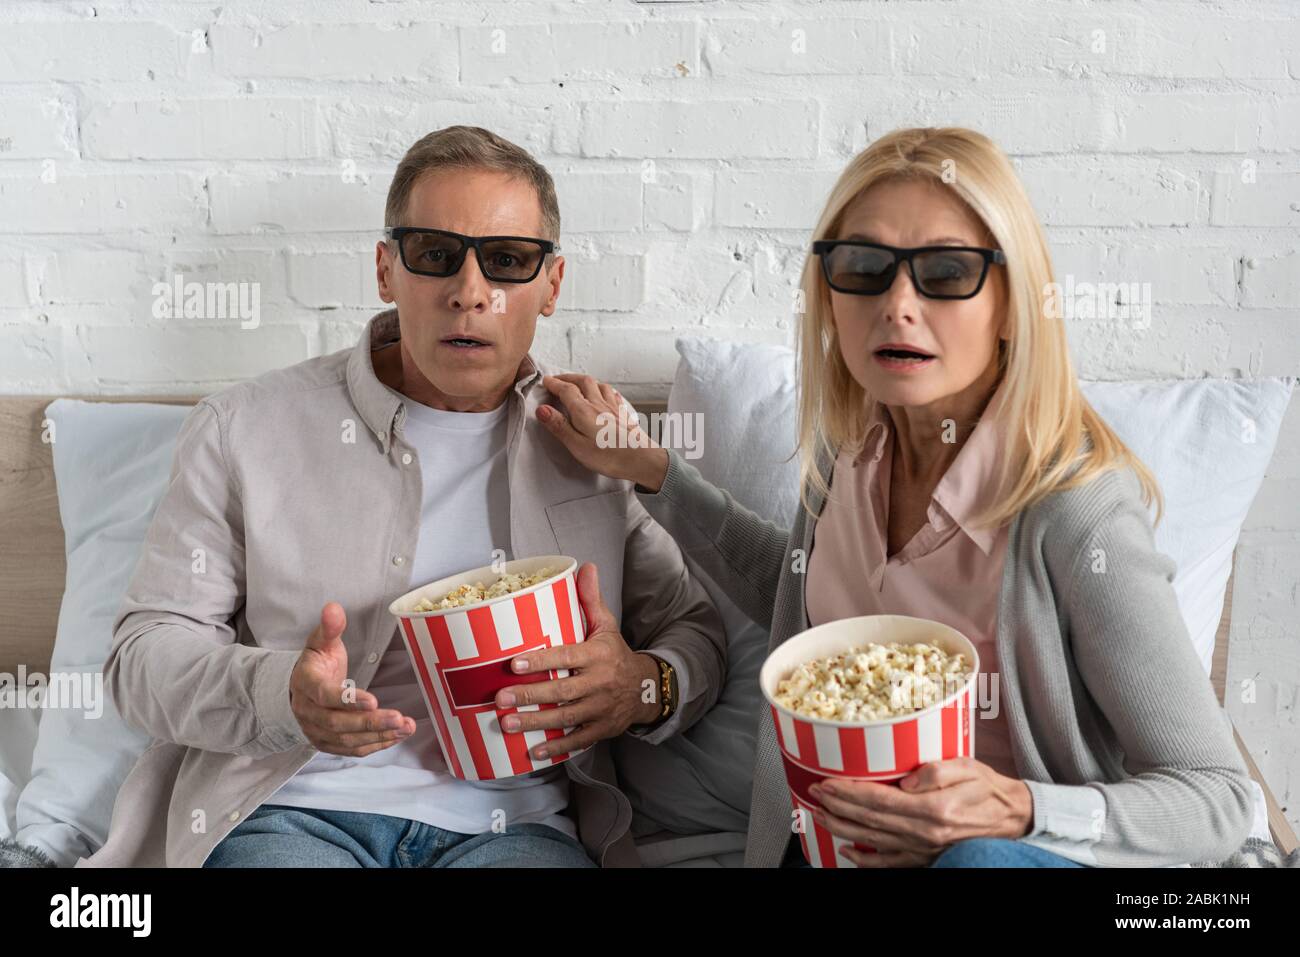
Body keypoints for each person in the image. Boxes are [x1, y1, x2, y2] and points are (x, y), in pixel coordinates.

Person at [534, 126, 1255, 868]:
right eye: (865, 268)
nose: (898, 303)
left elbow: (1220, 797)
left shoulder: (1075, 512)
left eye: (946, 271)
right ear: (830, 293)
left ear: (1011, 305)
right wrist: (652, 469)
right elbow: (794, 589)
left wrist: (1020, 807)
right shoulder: (849, 460)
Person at [77, 125, 725, 868]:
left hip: (515, 830)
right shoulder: (245, 427)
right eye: (435, 255)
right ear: (387, 270)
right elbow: (140, 658)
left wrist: (643, 685)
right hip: (294, 816)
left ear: (551, 285)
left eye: (508, 262)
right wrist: (278, 692)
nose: (469, 292)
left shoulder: (597, 443)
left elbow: (695, 632)